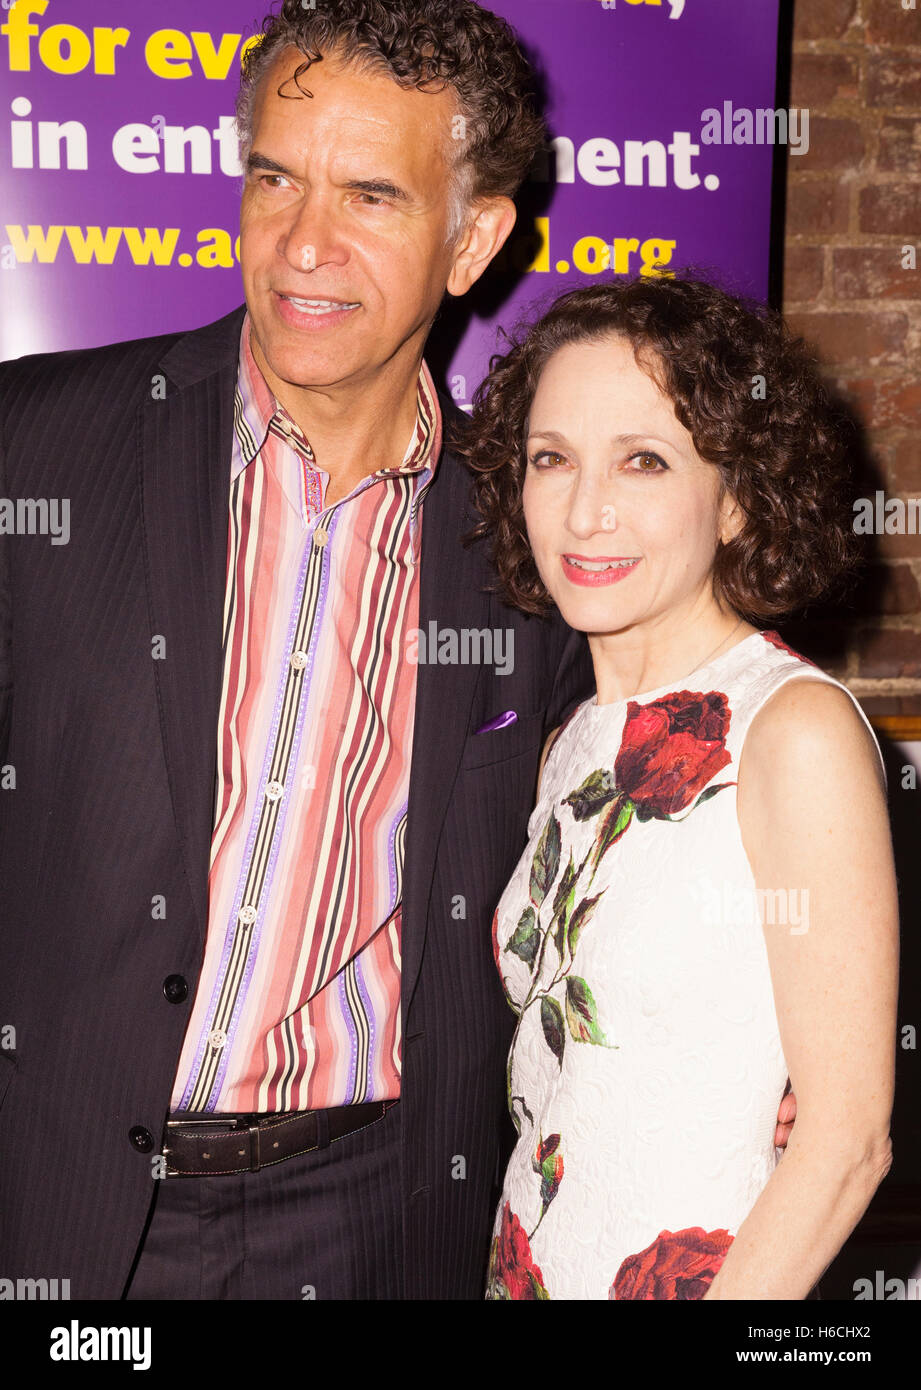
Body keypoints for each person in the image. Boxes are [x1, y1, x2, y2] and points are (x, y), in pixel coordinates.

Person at [0, 1, 794, 1300]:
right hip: (52, 1198)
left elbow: (647, 831)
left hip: (376, 1213)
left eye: (370, 196)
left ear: (472, 239)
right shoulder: (35, 442)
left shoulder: (538, 538)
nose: (304, 244)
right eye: (275, 179)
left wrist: (765, 1056)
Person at [451, 275, 899, 1300]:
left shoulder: (792, 731)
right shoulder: (571, 742)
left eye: (642, 460)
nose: (585, 510)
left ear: (737, 496)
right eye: (551, 458)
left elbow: (845, 1143)